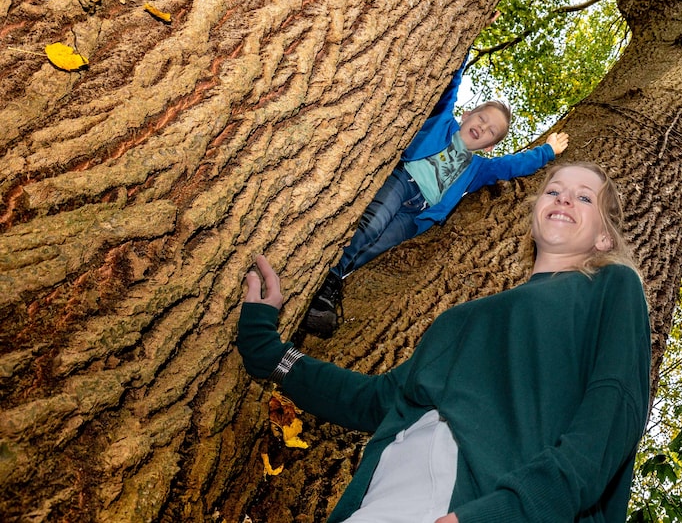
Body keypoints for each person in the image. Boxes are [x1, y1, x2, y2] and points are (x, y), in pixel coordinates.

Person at [237, 162, 651, 523]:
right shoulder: (464, 317)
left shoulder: (610, 285)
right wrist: (270, 352)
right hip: (381, 502)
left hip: (488, 505)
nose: (563, 200)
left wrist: (510, 512)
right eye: (554, 191)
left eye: (583, 198)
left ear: (605, 238)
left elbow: (614, 409)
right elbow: (376, 401)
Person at [303, 56, 570, 337]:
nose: (483, 127)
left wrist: (548, 151)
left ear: (490, 146)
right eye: (481, 118)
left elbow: (513, 166)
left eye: (492, 132)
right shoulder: (442, 122)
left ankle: (328, 287)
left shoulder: (479, 168)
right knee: (371, 224)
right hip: (404, 181)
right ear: (466, 115)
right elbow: (450, 82)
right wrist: (466, 41)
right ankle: (330, 276)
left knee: (377, 246)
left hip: (419, 214)